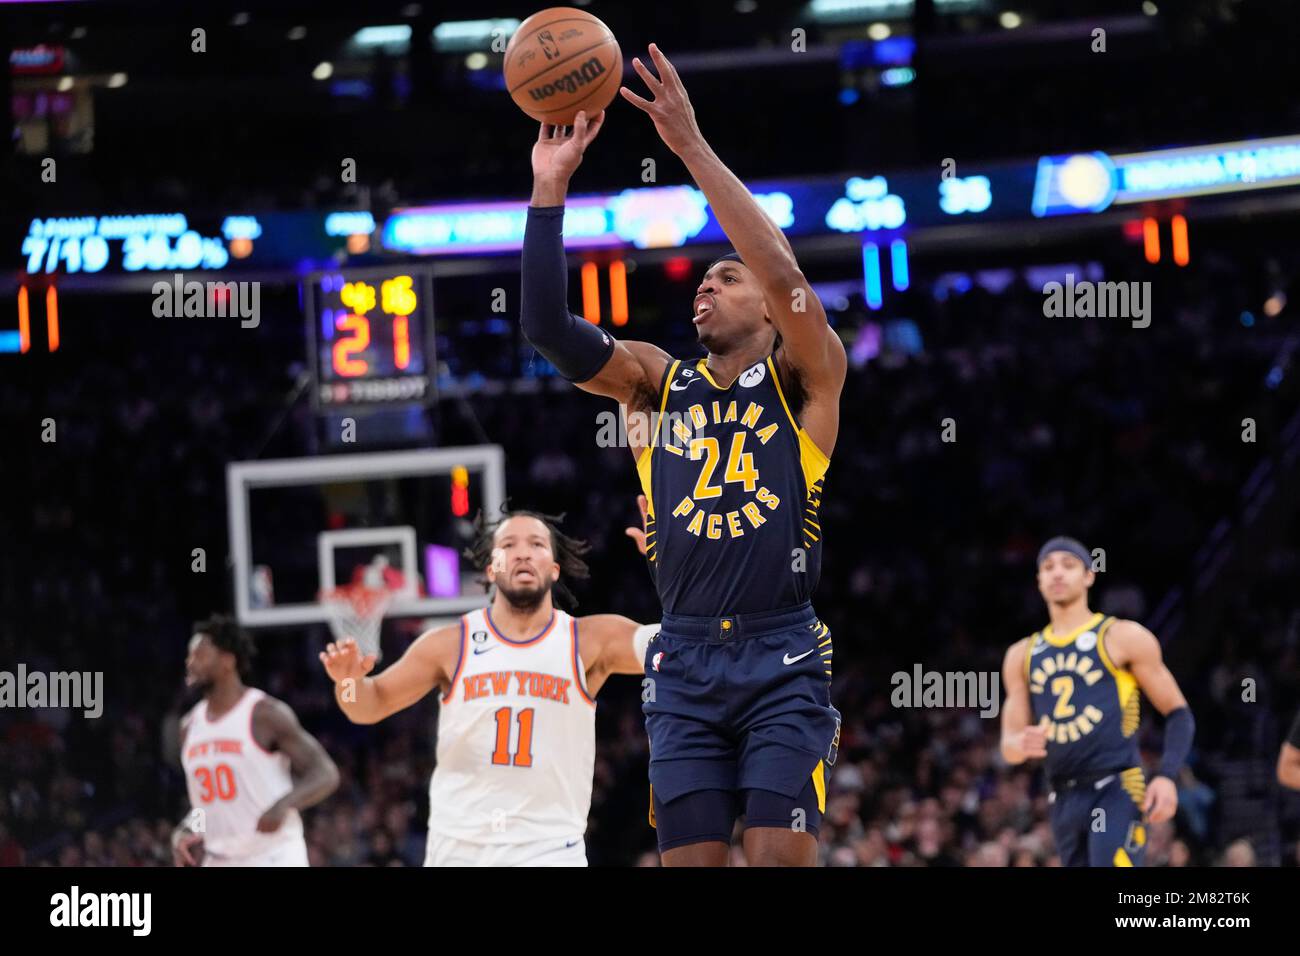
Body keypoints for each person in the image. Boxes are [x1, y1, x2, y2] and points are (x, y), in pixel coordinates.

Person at [519, 43, 847, 866]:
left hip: (783, 653)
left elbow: (783, 270)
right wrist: (549, 188)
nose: (705, 286)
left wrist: (690, 147)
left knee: (778, 855)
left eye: (726, 279)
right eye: (700, 280)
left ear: (770, 314)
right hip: (686, 656)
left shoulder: (807, 380)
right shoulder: (655, 386)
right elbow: (548, 332)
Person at [320, 511, 655, 867]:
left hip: (549, 850)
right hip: (459, 851)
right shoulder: (449, 644)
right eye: (509, 545)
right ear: (491, 569)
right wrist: (349, 683)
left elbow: (671, 646)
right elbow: (365, 706)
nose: (523, 553)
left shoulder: (589, 640)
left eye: (537, 544)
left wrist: (674, 564)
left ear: (555, 568)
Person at [1000, 537, 1195, 866]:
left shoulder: (1121, 636)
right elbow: (1008, 745)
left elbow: (1179, 713)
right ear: (1039, 581)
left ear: (1089, 576)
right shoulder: (1021, 654)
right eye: (1048, 567)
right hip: (1062, 795)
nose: (1057, 573)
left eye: (1068, 565)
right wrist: (1021, 742)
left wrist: (1166, 775)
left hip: (1118, 785)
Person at [174, 614, 339, 866]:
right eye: (189, 655)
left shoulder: (264, 714)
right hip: (221, 859)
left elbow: (325, 773)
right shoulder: (189, 727)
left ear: (227, 661)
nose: (190, 663)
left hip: (274, 854)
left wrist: (283, 805)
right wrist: (188, 828)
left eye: (199, 655)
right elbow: (207, 804)